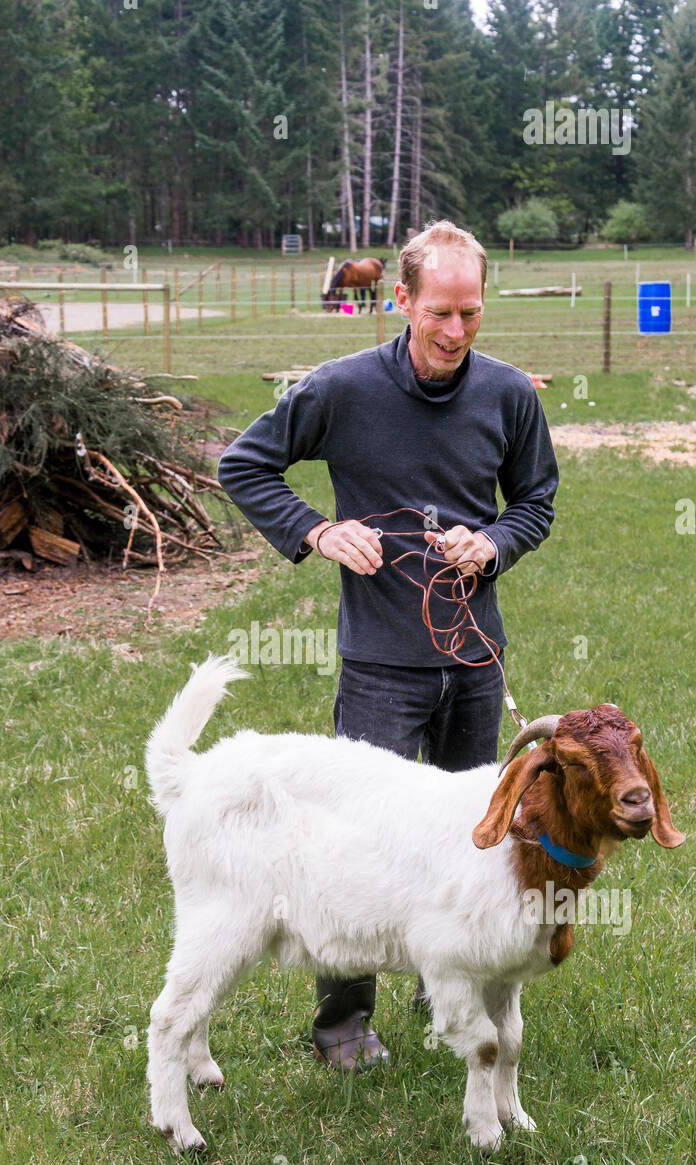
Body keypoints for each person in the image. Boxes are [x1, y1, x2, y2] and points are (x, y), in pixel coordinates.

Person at [217, 219, 559, 1071]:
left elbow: (535, 501)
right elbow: (243, 464)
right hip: (379, 661)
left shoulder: (509, 395)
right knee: (354, 852)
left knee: (468, 835)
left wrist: (495, 543)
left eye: (470, 314)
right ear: (399, 299)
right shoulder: (340, 390)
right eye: (438, 312)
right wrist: (318, 532)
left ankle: (450, 978)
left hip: (473, 658)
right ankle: (341, 1024)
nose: (453, 332)